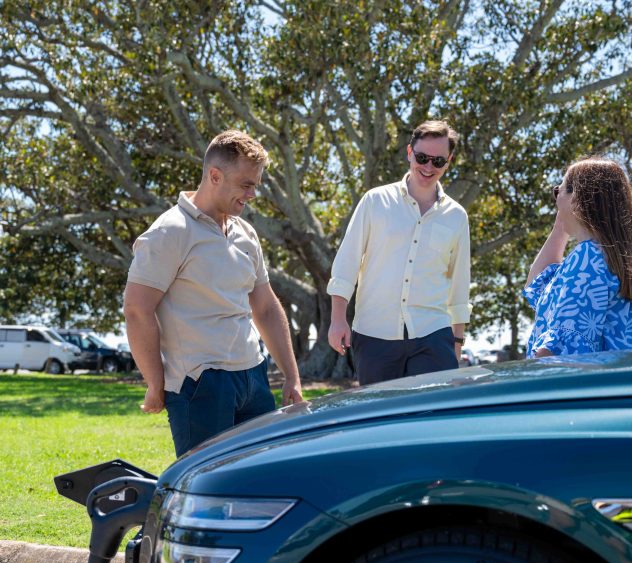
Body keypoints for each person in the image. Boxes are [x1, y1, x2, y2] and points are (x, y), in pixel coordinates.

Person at [123, 130, 303, 458]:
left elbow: (265, 307)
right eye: (246, 185)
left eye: (256, 185)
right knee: (206, 489)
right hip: (200, 383)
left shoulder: (245, 233)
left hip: (253, 376)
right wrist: (154, 382)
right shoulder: (170, 231)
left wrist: (291, 376)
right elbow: (137, 308)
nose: (252, 194)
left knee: (260, 480)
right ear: (215, 176)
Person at [327, 120, 471, 384]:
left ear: (448, 161)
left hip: (433, 333)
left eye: (438, 161)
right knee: (378, 419)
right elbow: (347, 261)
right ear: (409, 153)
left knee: (432, 417)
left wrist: (457, 340)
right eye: (422, 157)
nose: (428, 167)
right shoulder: (374, 201)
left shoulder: (457, 217)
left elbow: (459, 284)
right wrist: (338, 319)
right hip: (374, 333)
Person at [523, 157, 632, 358]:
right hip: (611, 387)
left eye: (557, 192)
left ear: (576, 198)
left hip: (577, 388)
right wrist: (561, 224)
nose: (556, 200)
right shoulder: (607, 256)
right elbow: (537, 287)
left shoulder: (589, 259)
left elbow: (555, 352)